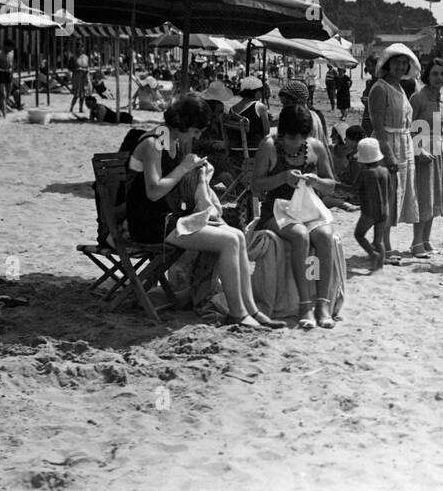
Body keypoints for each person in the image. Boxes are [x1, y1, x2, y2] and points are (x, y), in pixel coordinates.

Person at [127, 94, 283, 328]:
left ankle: (251, 310)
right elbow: (153, 192)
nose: (197, 136)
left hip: (169, 218)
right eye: (196, 130)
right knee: (228, 242)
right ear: (184, 123)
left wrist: (197, 174)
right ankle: (239, 314)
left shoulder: (171, 140)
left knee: (237, 235)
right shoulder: (154, 142)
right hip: (150, 224)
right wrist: (184, 167)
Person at [252, 105, 341, 327]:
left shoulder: (315, 147)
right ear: (282, 133)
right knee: (300, 236)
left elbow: (331, 185)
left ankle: (322, 303)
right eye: (292, 138)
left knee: (324, 236)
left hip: (309, 209)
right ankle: (305, 304)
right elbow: (255, 186)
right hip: (276, 209)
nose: (297, 143)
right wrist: (282, 177)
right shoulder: (269, 146)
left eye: (302, 138)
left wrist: (317, 181)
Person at [367, 44, 421, 264]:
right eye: (397, 62)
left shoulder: (400, 88)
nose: (400, 66)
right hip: (387, 144)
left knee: (396, 195)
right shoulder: (380, 88)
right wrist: (388, 155)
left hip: (403, 143)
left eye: (404, 62)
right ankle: (382, 246)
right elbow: (378, 125)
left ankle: (383, 243)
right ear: (387, 64)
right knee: (386, 197)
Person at [410, 58, 443, 258]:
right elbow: (409, 128)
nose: (439, 78)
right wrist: (419, 150)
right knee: (424, 196)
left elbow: (441, 124)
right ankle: (416, 243)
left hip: (440, 149)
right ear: (427, 76)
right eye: (435, 74)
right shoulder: (418, 98)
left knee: (434, 195)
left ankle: (427, 240)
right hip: (423, 151)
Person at [352, 137, 392, 270]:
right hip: (384, 211)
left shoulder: (365, 173)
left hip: (369, 212)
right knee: (378, 241)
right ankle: (379, 267)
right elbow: (391, 190)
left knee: (359, 235)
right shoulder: (385, 171)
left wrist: (337, 185)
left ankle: (373, 254)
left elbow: (354, 189)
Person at [228, 76, 270, 156]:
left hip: (234, 151)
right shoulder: (260, 107)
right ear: (257, 92)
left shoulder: (232, 109)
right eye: (261, 92)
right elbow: (266, 133)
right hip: (254, 151)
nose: (261, 95)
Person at [0, 41, 15, 119]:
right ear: (6, 46)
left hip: (8, 73)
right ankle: (4, 113)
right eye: (10, 47)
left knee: (8, 95)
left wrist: (12, 74)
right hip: (0, 73)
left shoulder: (11, 53)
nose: (11, 49)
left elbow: (12, 64)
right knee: (3, 95)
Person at [69, 46, 90, 114]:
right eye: (78, 48)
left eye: (81, 48)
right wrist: (76, 69)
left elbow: (88, 66)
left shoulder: (86, 57)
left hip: (84, 77)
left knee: (83, 94)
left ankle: (80, 109)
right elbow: (69, 68)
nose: (80, 49)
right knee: (76, 94)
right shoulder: (73, 57)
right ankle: (71, 108)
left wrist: (86, 70)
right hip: (76, 77)